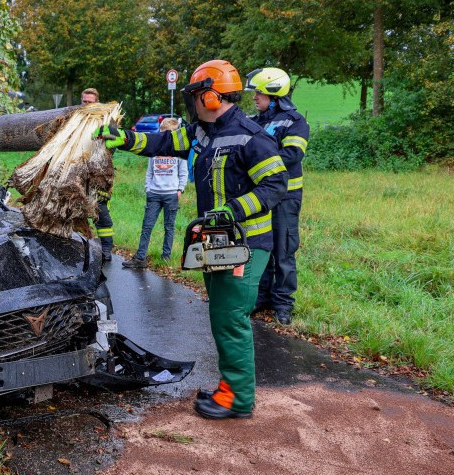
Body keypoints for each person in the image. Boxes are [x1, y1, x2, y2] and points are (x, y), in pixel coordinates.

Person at [92, 60, 288, 420]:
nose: (193, 102)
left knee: (230, 317)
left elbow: (276, 185)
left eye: (196, 95)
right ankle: (230, 386)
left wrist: (234, 209)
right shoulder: (203, 132)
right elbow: (164, 141)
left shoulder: (251, 138)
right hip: (218, 239)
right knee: (221, 314)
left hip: (245, 242)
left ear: (212, 97)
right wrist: (127, 139)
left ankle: (238, 398)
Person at [245, 68, 310, 325]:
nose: (254, 97)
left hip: (286, 196)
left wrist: (258, 160)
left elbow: (293, 154)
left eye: (259, 93)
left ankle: (283, 303)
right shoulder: (253, 121)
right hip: (261, 196)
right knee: (262, 247)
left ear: (274, 96)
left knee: (283, 250)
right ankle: (261, 297)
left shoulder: (295, 121)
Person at [123, 117, 188, 268]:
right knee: (147, 226)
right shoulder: (155, 150)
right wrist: (148, 188)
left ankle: (166, 256)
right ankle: (140, 258)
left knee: (169, 227)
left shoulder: (179, 152)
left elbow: (183, 173)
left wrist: (180, 190)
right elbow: (149, 172)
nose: (164, 136)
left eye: (168, 133)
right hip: (154, 194)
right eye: (162, 133)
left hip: (171, 195)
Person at [82, 87, 114, 261]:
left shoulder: (106, 121)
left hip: (99, 175)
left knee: (101, 213)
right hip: (76, 173)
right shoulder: (74, 120)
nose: (87, 105)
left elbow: (114, 145)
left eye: (90, 102)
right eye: (84, 101)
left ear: (97, 103)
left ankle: (106, 248)